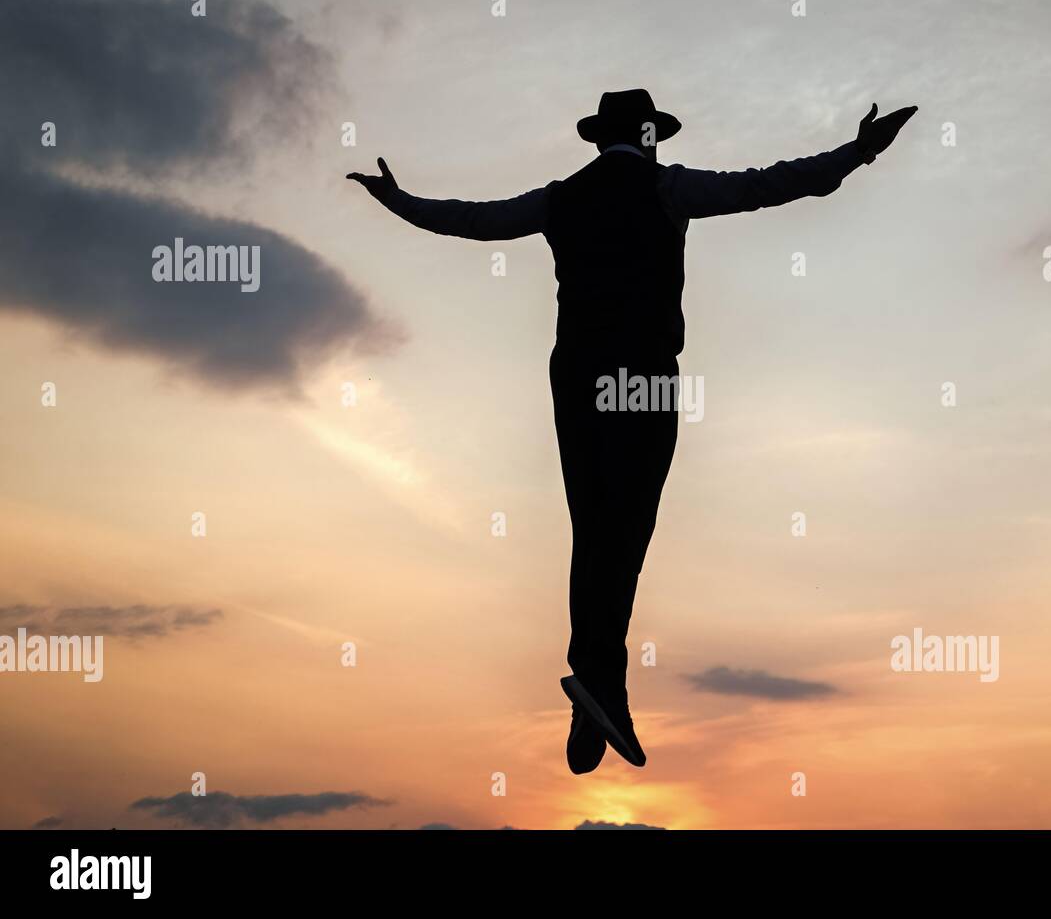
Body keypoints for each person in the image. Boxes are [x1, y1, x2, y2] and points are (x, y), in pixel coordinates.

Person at [347, 89, 917, 774]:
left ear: (597, 141)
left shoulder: (559, 199)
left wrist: (397, 200)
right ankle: (598, 682)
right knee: (626, 531)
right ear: (650, 137)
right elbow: (775, 184)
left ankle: (598, 683)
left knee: (593, 528)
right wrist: (857, 152)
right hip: (643, 379)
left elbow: (474, 221)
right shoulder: (669, 187)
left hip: (578, 379)